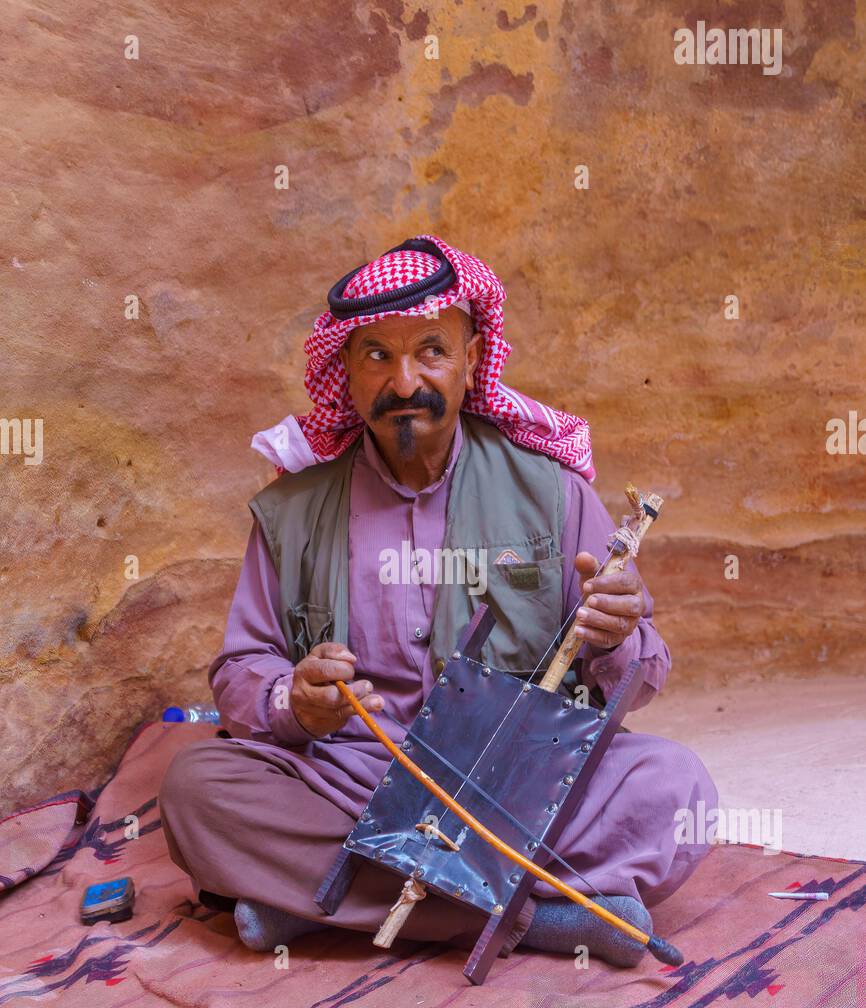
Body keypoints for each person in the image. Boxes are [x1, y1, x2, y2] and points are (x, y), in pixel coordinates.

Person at [159, 235, 717, 967]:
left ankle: (319, 906)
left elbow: (642, 681)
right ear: (346, 374)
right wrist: (293, 699)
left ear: (471, 361)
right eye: (376, 357)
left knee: (675, 792)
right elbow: (241, 667)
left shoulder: (549, 491)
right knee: (198, 788)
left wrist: (617, 638)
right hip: (355, 772)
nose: (405, 381)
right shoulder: (292, 514)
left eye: (430, 351)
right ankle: (548, 920)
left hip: (520, 774)